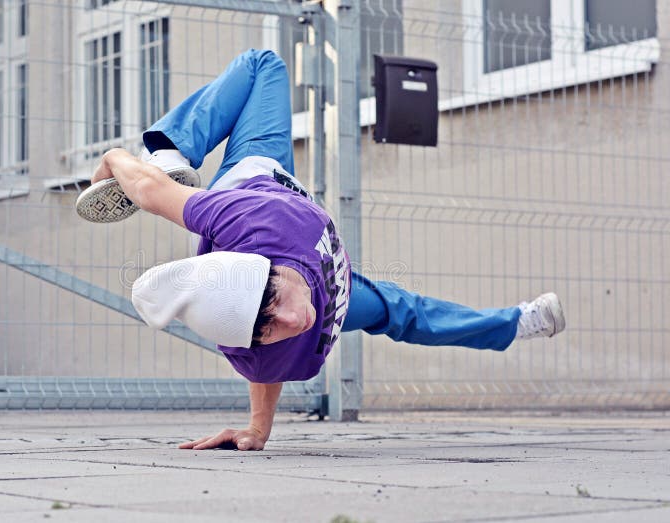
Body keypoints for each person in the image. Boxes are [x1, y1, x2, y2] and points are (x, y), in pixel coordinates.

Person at [79, 49, 565, 451]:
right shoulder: (273, 334)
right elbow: (267, 363)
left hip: (258, 174)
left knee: (262, 64)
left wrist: (115, 158)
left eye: (273, 305)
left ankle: (170, 148)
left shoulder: (246, 217)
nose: (292, 322)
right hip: (319, 267)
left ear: (264, 268)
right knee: (405, 312)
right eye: (265, 331)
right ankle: (516, 322)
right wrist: (257, 430)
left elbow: (148, 192)